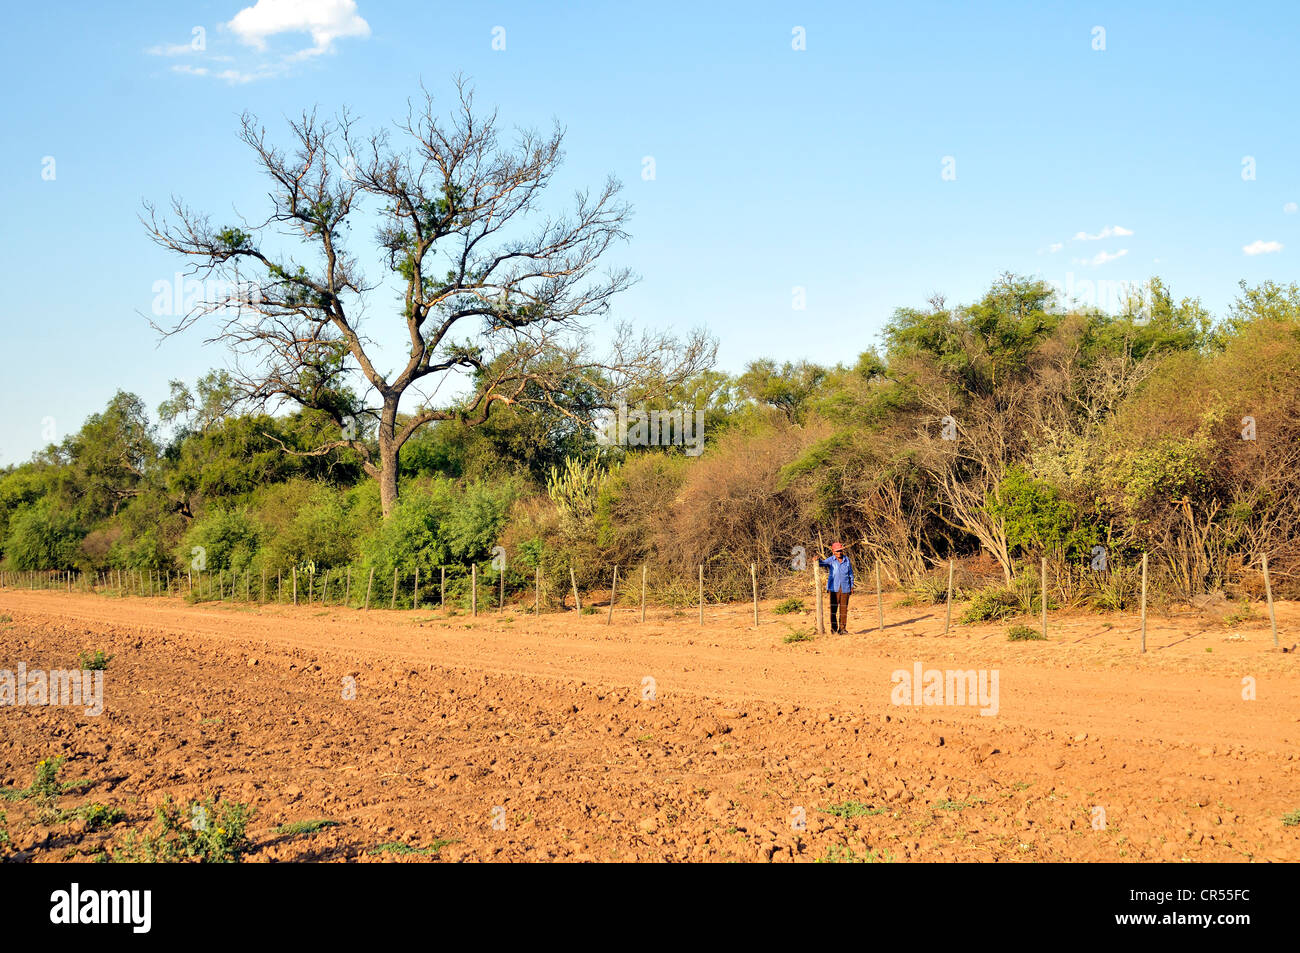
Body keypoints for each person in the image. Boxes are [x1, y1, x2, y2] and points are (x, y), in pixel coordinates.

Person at [818, 542, 854, 634]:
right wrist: (817, 560)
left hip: (845, 587)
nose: (839, 553)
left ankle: (842, 629)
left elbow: (850, 574)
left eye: (840, 550)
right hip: (834, 588)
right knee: (833, 609)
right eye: (837, 551)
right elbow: (821, 563)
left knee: (843, 609)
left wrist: (851, 586)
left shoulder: (847, 560)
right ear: (833, 551)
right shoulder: (831, 560)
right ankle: (834, 629)